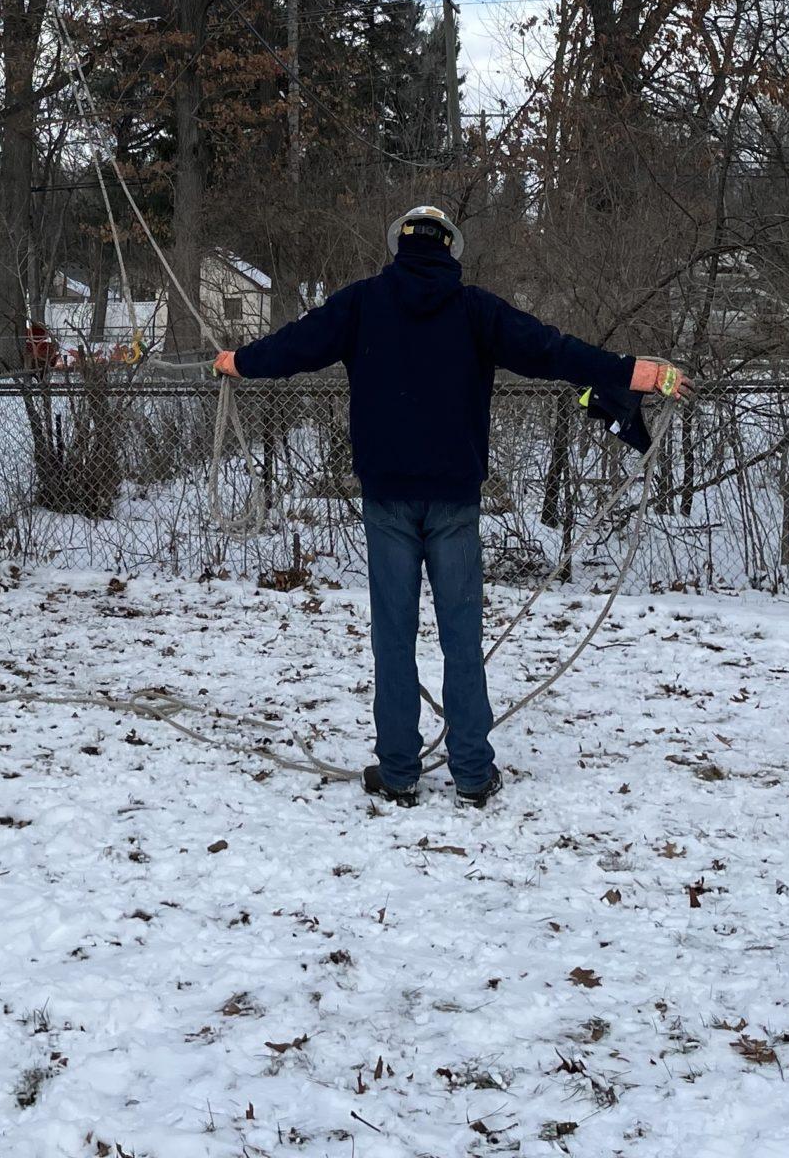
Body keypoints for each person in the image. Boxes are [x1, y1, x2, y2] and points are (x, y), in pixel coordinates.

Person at [213, 204, 687, 808]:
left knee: (394, 635)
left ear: (400, 248)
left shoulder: (361, 303)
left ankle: (400, 773)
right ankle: (470, 773)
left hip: (387, 497)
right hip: (455, 500)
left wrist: (236, 362)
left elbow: (291, 348)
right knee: (461, 635)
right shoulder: (476, 310)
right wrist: (635, 372)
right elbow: (552, 349)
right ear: (449, 251)